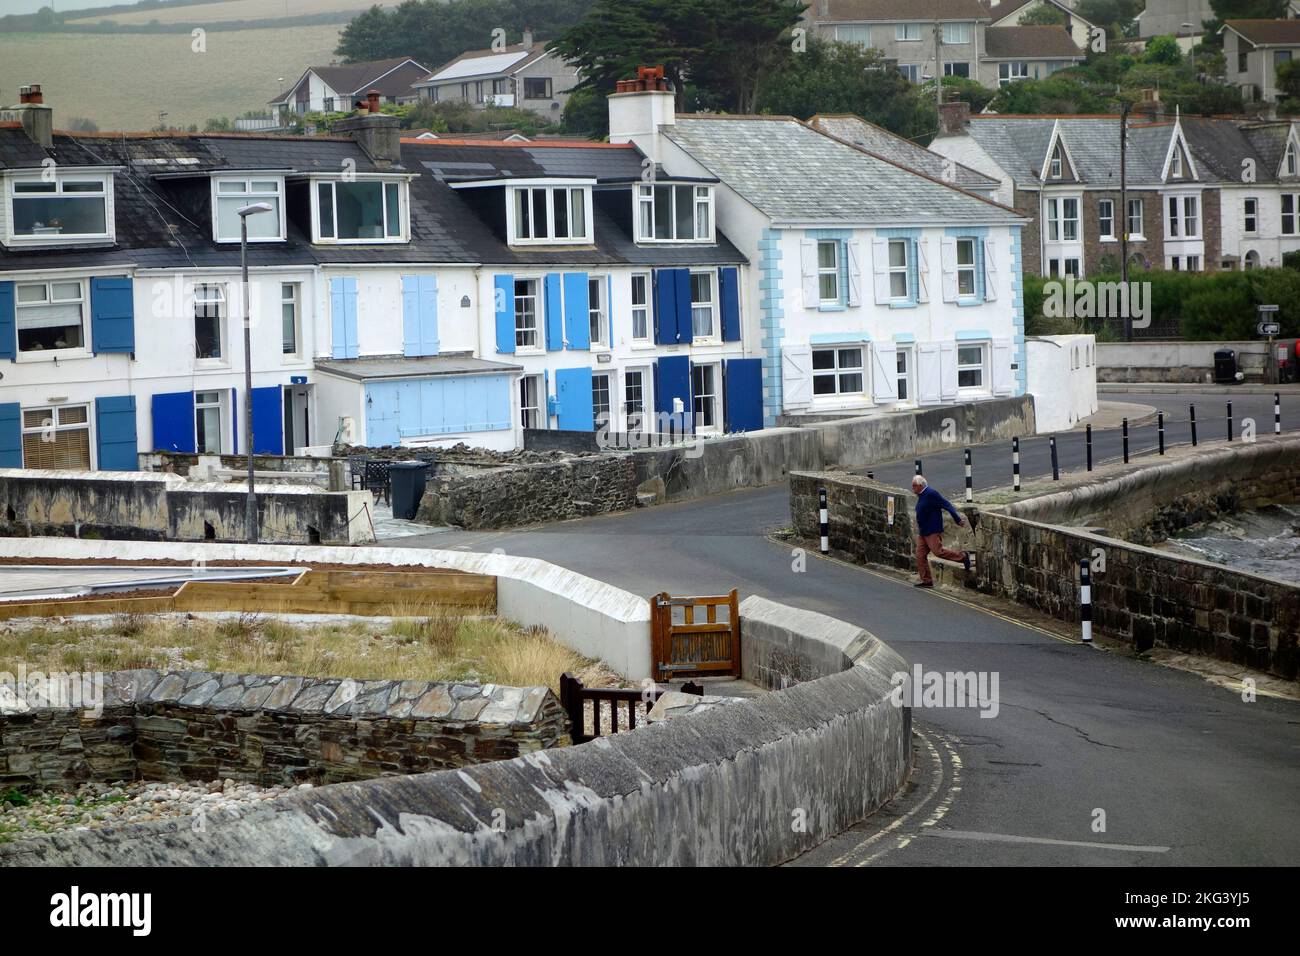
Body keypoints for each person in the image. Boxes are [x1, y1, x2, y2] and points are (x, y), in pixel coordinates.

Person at [911, 475, 971, 588]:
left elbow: (947, 505)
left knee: (938, 552)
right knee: (920, 555)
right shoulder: (921, 495)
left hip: (932, 530)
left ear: (920, 485)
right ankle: (927, 580)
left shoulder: (931, 493)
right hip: (923, 532)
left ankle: (963, 557)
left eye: (914, 486)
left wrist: (957, 519)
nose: (912, 488)